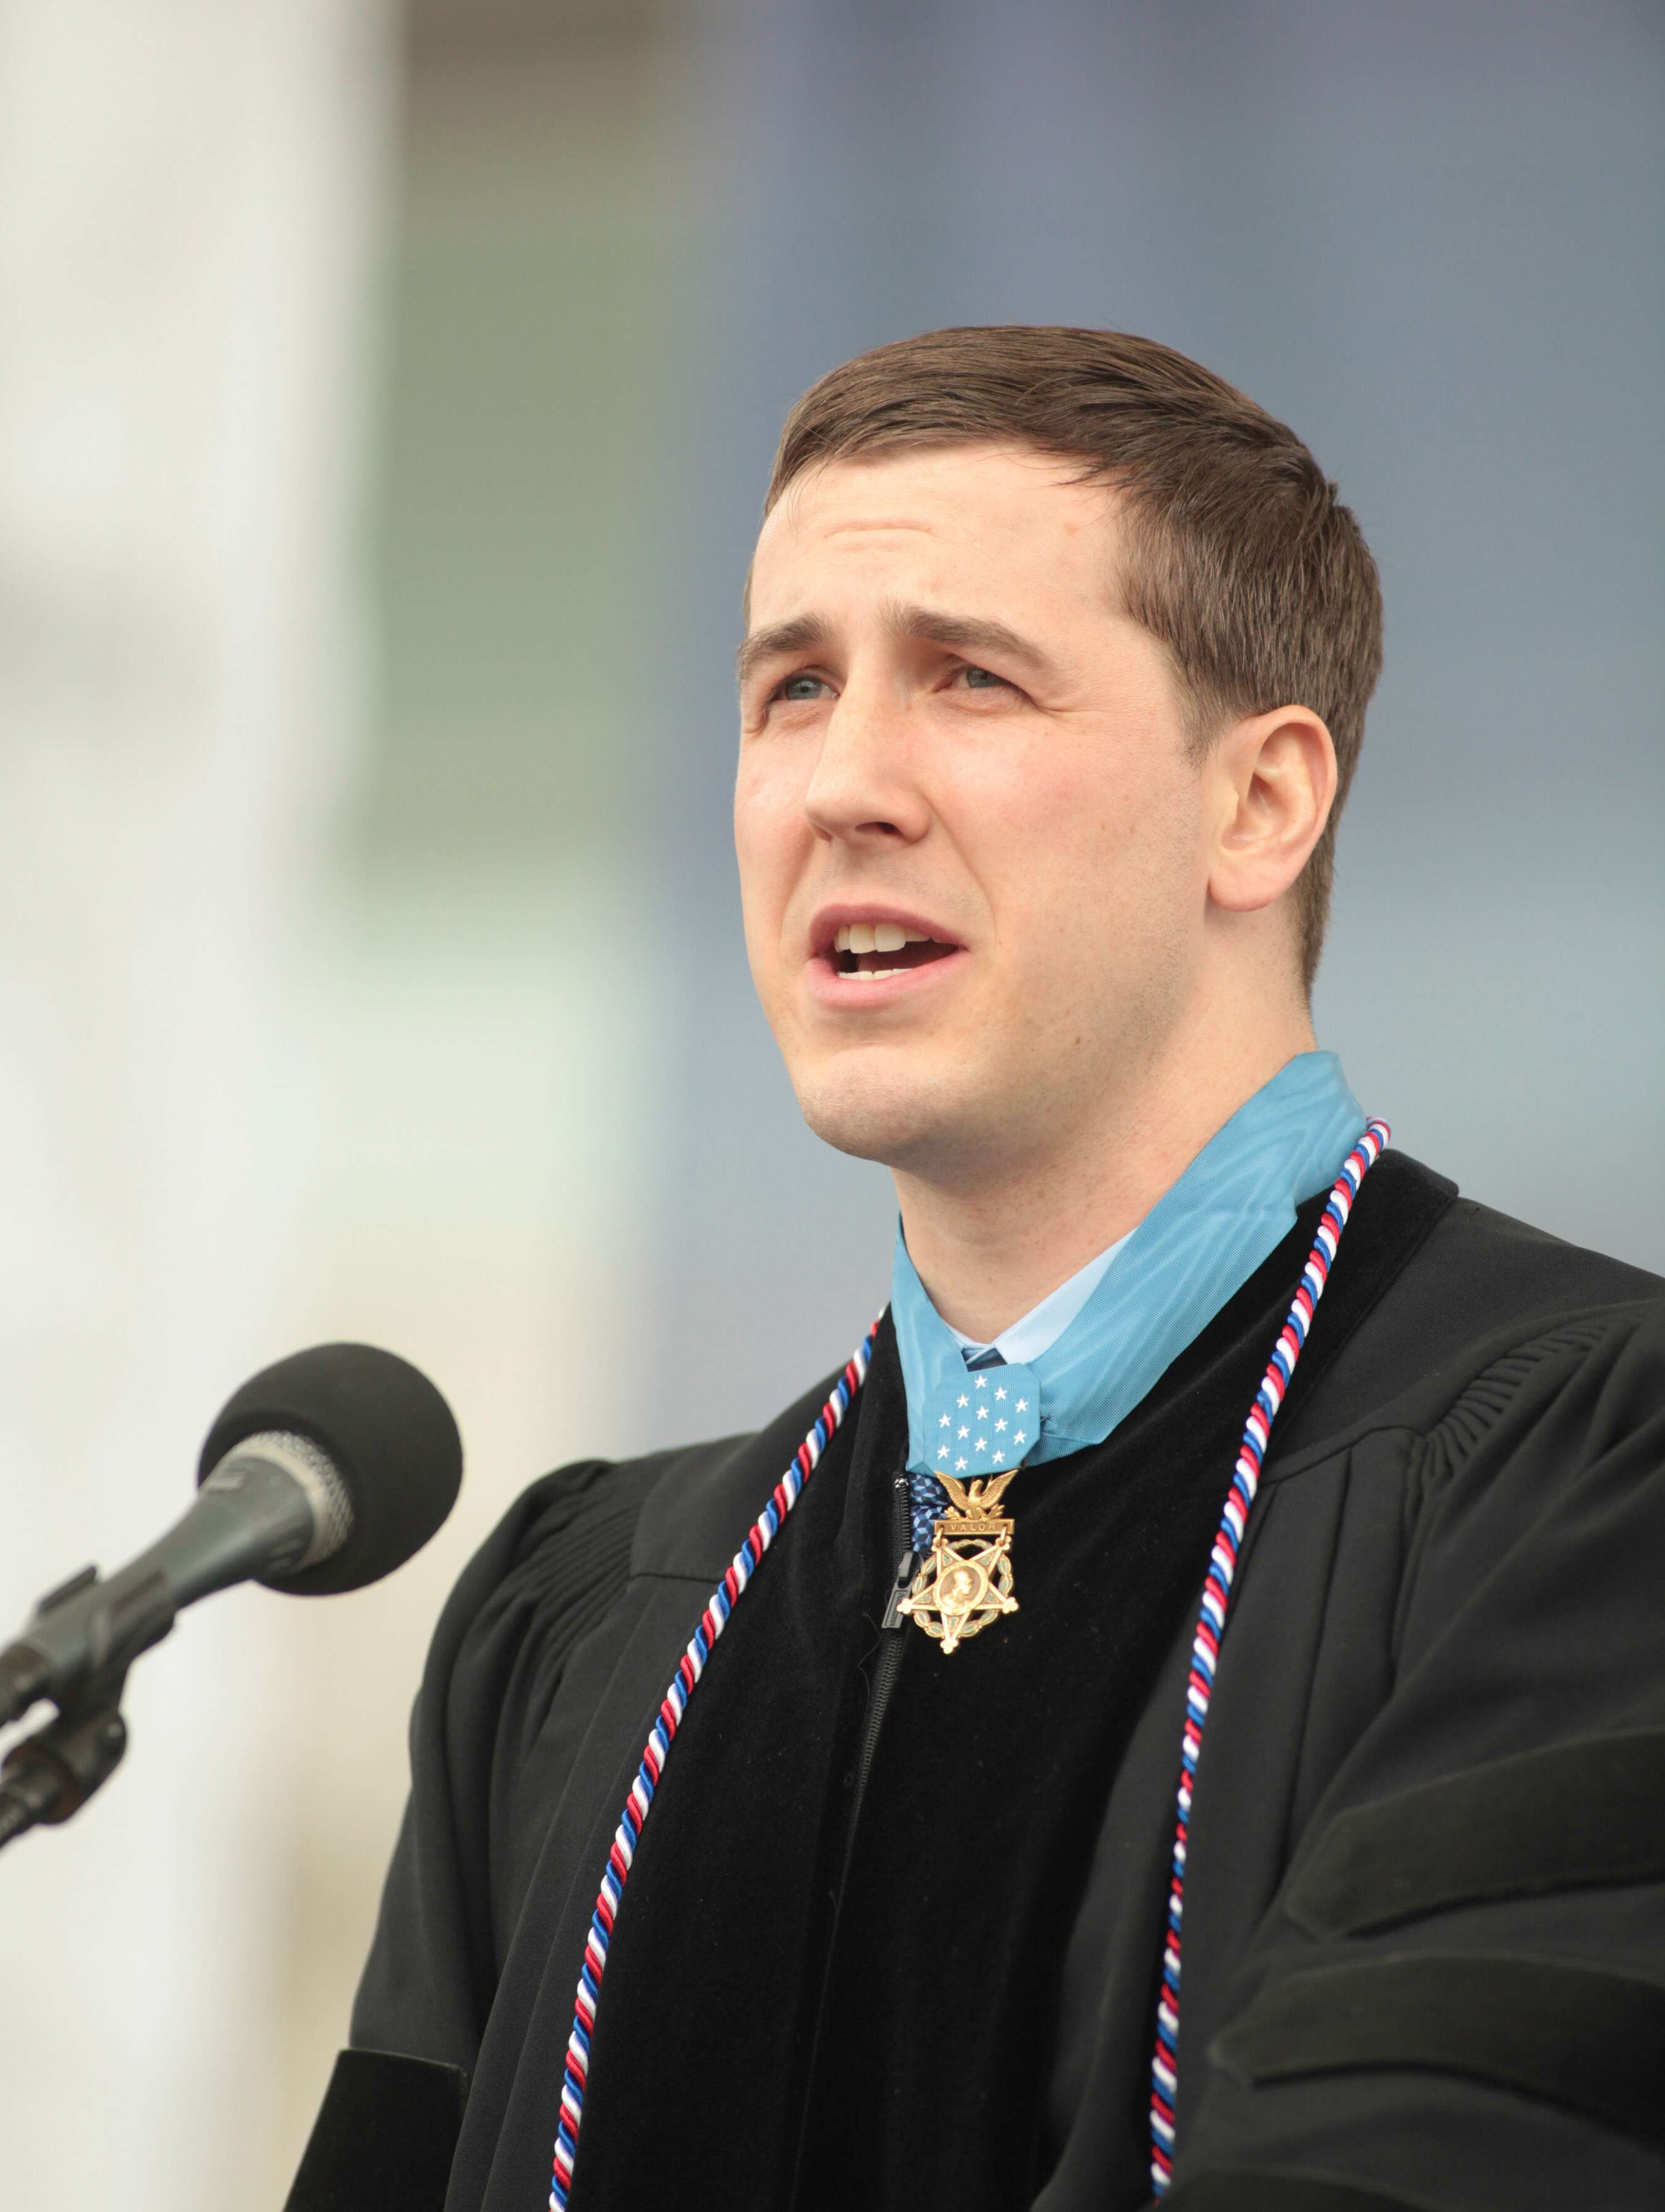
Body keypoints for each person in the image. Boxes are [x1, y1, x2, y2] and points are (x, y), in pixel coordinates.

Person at [290, 328, 1664, 2212]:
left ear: (1260, 804)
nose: (842, 785)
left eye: (972, 679)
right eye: (793, 688)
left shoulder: (1587, 1491)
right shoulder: (584, 1623)